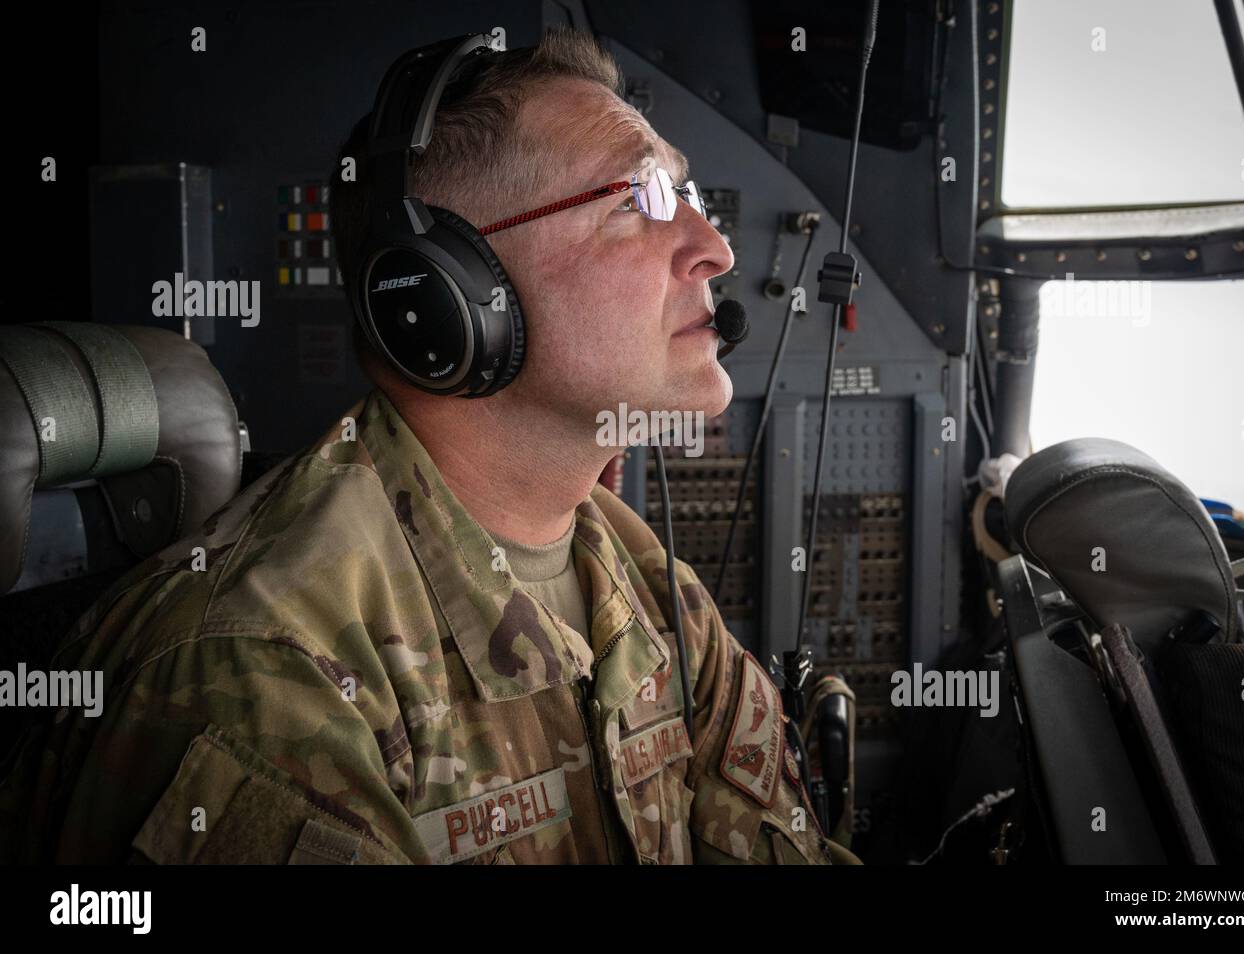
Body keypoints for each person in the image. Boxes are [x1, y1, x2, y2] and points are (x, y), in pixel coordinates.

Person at [0, 26, 859, 865]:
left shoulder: (647, 586)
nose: (715, 249)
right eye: (638, 200)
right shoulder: (259, 678)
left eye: (691, 198)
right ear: (447, 297)